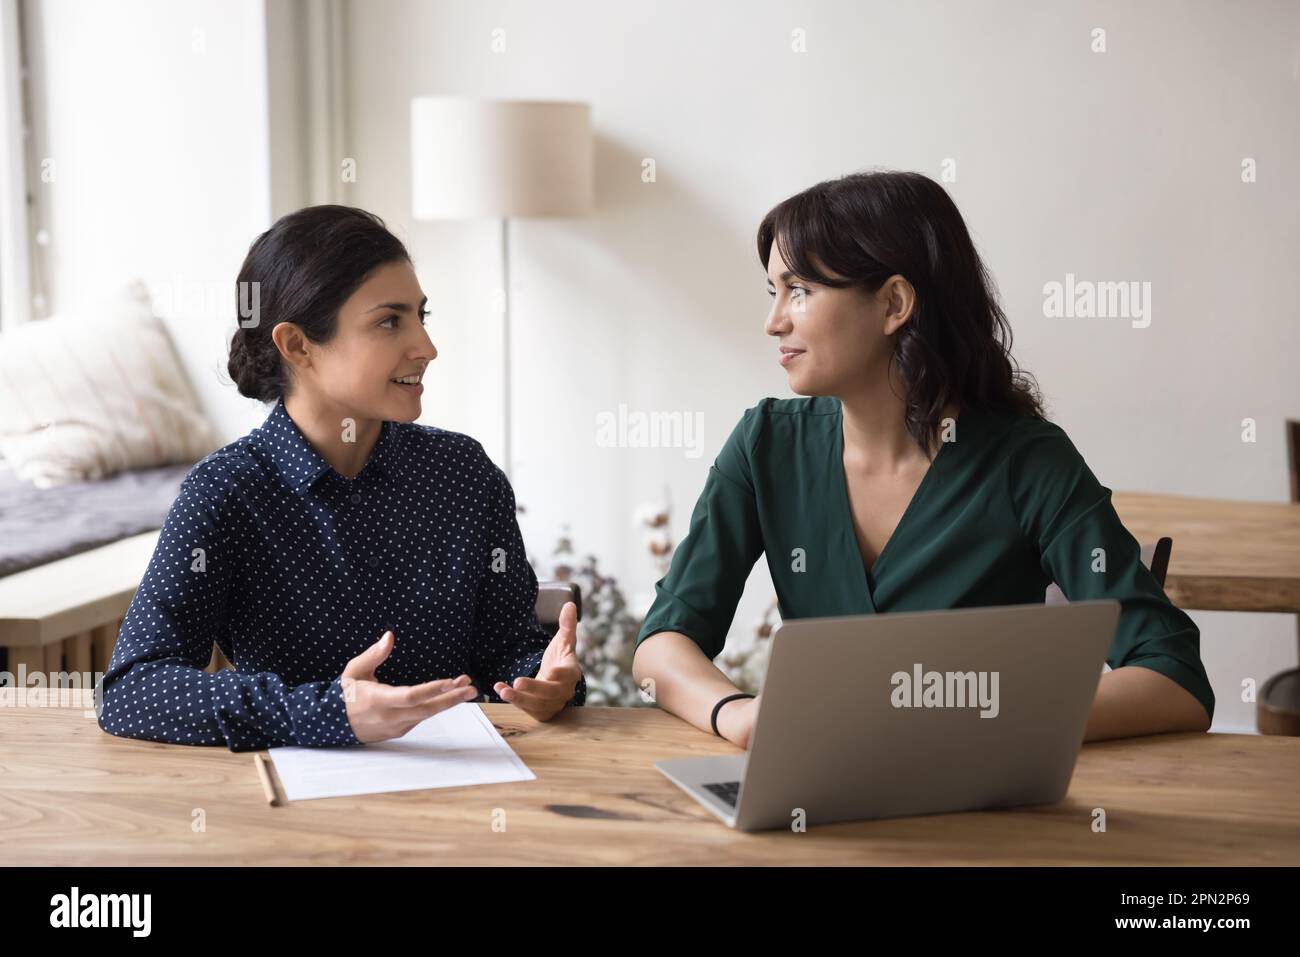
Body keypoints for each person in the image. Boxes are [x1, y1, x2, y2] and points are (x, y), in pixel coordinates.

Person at [632, 170, 1213, 748]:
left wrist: (975, 723)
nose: (774, 320)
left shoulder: (1027, 463)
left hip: (977, 813)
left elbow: (1174, 679)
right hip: (814, 799)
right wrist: (736, 715)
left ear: (893, 303)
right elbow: (662, 644)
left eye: (800, 290)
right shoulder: (766, 445)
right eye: (774, 291)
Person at [98, 205, 584, 752]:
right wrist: (326, 711)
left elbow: (509, 651)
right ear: (298, 345)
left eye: (422, 316)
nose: (426, 347)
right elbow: (132, 689)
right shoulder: (227, 493)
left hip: (466, 791)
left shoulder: (464, 474)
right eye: (389, 321)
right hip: (302, 809)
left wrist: (545, 681)